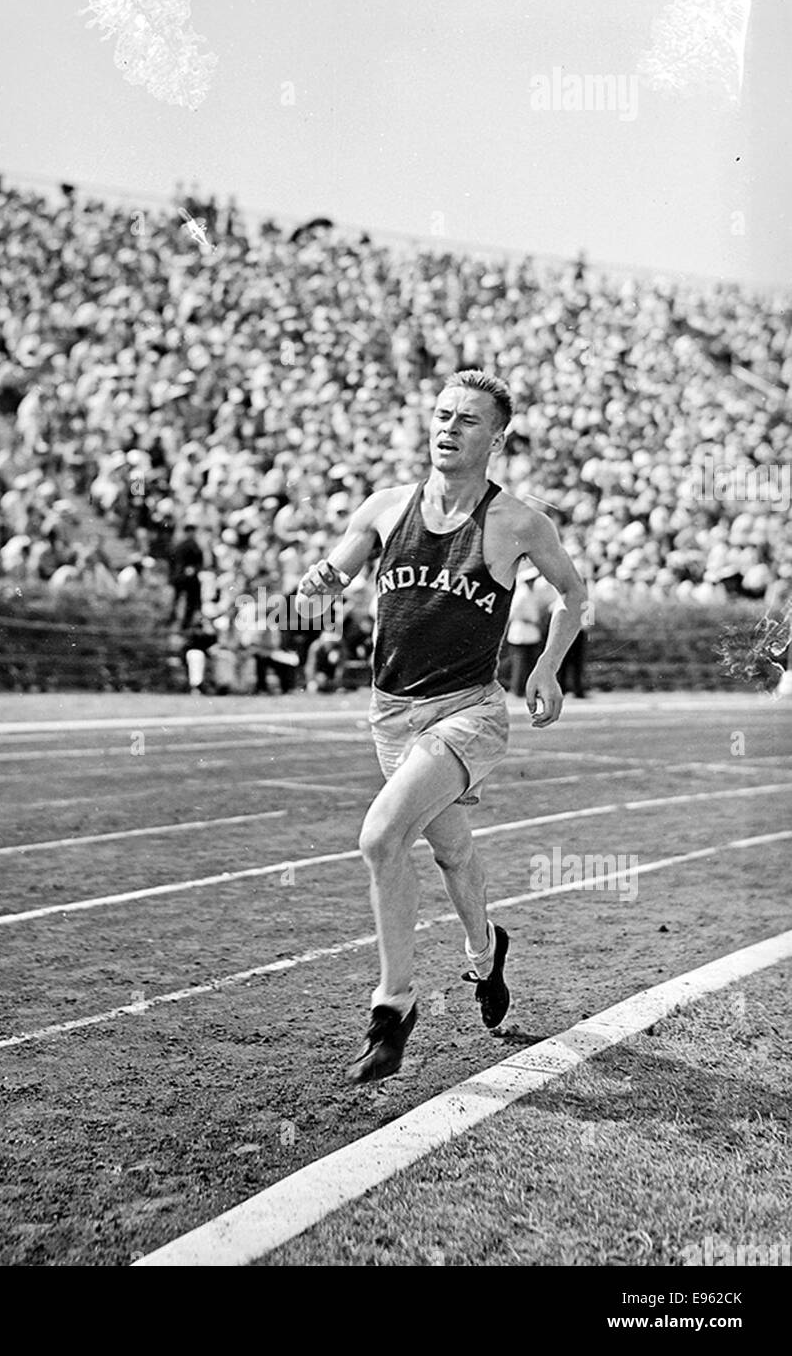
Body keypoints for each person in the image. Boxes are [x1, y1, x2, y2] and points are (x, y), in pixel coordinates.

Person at [297, 369, 586, 1084]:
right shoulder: (386, 507)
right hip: (391, 716)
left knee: (380, 837)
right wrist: (319, 584)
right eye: (441, 414)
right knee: (452, 853)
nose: (448, 428)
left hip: (468, 713)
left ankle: (391, 1007)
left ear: (496, 435)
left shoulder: (515, 521)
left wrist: (545, 669)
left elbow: (571, 593)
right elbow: (334, 571)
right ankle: (486, 954)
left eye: (466, 419)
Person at [505, 564, 545, 696]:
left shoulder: (531, 593)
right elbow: (513, 613)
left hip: (530, 633)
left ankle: (525, 689)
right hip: (521, 632)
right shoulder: (521, 594)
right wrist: (529, 620)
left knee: (528, 663)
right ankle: (517, 689)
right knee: (519, 664)